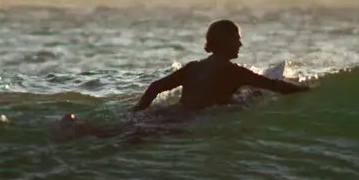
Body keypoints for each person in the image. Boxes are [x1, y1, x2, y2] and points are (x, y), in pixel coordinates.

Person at [132, 19, 309, 114]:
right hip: (190, 122)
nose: (240, 44)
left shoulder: (193, 68)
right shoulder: (234, 72)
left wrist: (138, 109)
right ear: (225, 42)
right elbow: (275, 86)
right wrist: (307, 90)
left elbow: (155, 86)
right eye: (236, 39)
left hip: (170, 115)